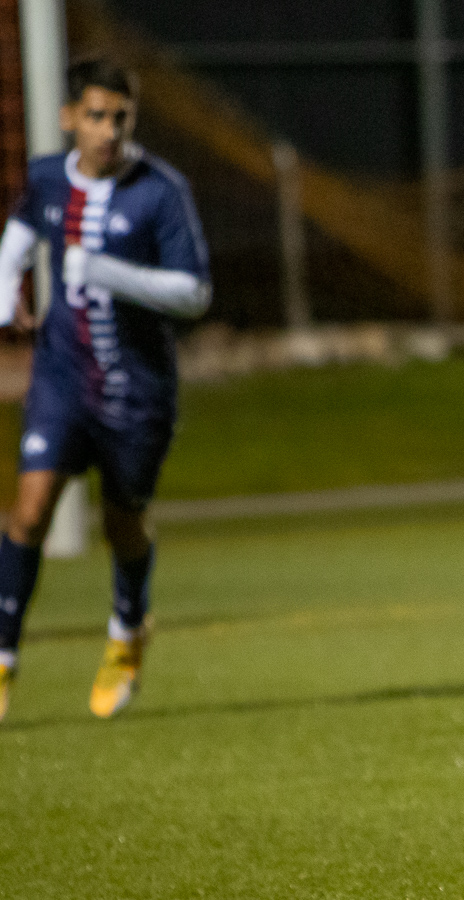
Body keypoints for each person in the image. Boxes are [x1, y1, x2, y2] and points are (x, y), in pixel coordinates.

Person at [0, 58, 211, 722]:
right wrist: (7, 297)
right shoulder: (45, 179)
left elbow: (193, 291)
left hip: (137, 390)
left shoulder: (159, 191)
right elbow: (15, 240)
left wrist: (105, 272)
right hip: (63, 378)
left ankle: (127, 632)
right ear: (68, 118)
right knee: (29, 511)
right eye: (95, 115)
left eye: (121, 117)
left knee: (123, 523)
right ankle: (2, 657)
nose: (108, 130)